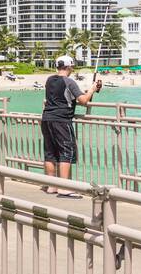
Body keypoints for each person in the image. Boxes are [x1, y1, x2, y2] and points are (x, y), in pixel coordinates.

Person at [40, 55, 101, 196]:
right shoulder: (69, 82)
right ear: (69, 67)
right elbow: (84, 100)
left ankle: (51, 186)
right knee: (66, 152)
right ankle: (64, 187)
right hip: (62, 120)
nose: (72, 68)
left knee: (50, 152)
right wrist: (92, 89)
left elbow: (59, 97)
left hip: (47, 118)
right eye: (72, 66)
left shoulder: (50, 80)